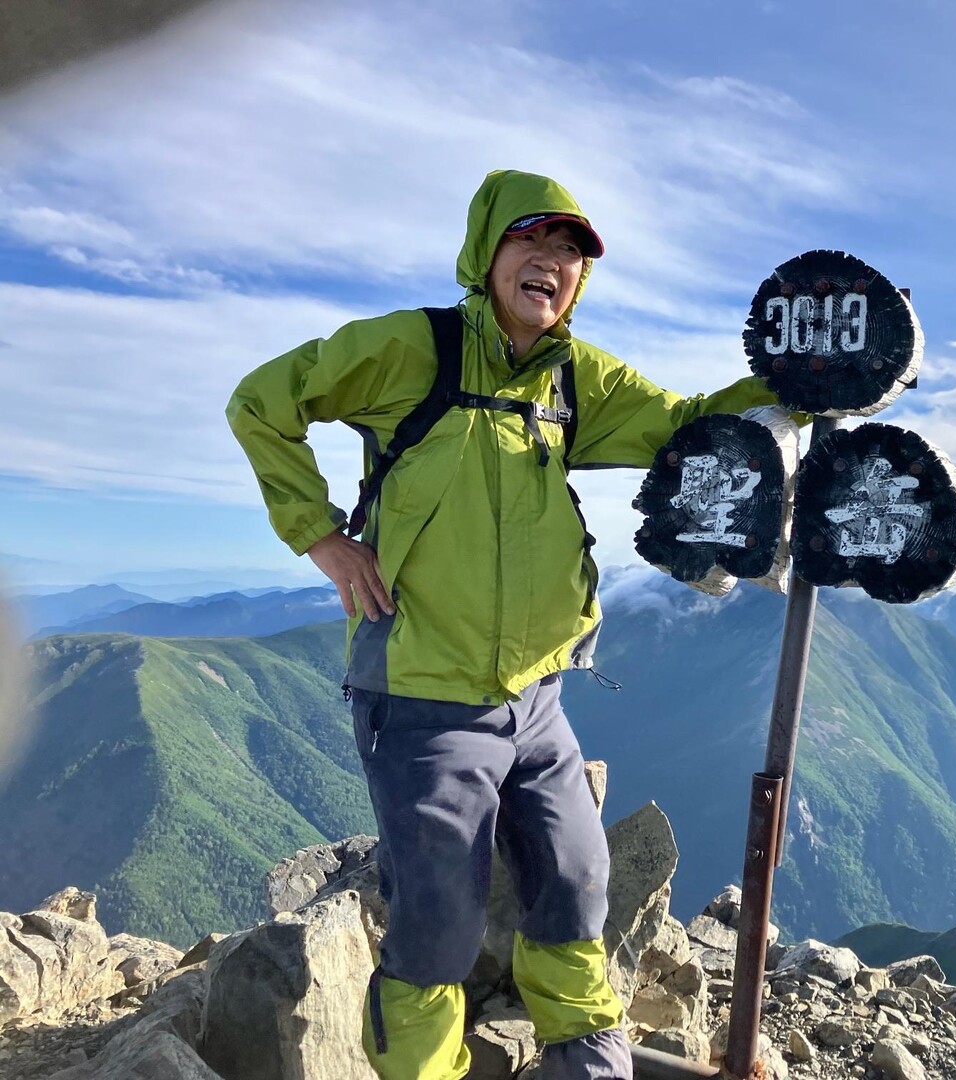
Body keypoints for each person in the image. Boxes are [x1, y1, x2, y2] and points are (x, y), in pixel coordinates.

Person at [226, 170, 786, 1080]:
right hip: (422, 693)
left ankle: (590, 1068)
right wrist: (322, 538)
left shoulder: (575, 378)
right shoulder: (412, 348)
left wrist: (797, 384)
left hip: (538, 696)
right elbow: (261, 402)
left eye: (572, 252)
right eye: (534, 240)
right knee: (437, 925)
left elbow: (687, 425)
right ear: (487, 250)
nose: (553, 262)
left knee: (575, 886)